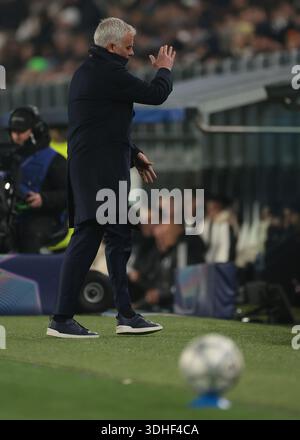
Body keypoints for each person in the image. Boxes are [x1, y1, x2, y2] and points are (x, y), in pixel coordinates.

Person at [47, 17, 175, 338]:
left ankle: (123, 314)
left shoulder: (87, 73)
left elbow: (103, 126)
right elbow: (157, 94)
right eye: (129, 46)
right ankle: (66, 319)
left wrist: (133, 154)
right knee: (95, 238)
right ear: (112, 46)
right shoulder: (109, 72)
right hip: (100, 173)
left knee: (113, 237)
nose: (132, 53)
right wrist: (164, 68)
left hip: (96, 168)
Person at [8, 106, 67, 252]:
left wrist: (43, 199)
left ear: (34, 130)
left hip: (46, 218)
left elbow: (71, 194)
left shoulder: (55, 160)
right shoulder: (12, 158)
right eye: (13, 132)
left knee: (29, 233)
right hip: (14, 216)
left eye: (21, 132)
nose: (16, 137)